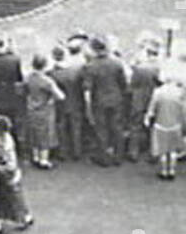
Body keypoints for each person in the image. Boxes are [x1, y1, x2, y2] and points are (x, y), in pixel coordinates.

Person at [82, 36, 129, 166]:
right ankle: (118, 156)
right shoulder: (117, 63)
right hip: (116, 99)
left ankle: (104, 157)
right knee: (117, 127)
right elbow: (123, 83)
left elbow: (88, 88)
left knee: (101, 129)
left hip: (99, 101)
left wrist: (88, 106)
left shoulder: (90, 66)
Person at [0, 116, 34, 234]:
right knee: (14, 196)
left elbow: (5, 162)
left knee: (6, 198)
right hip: (9, 173)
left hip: (4, 174)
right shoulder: (6, 139)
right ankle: (25, 216)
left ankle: (3, 222)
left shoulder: (2, 144)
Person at [24, 53, 66, 169]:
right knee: (45, 135)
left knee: (34, 134)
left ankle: (35, 157)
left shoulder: (28, 78)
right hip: (44, 111)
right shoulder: (47, 81)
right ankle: (44, 161)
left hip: (31, 109)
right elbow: (60, 96)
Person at [126, 34, 162, 162]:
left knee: (135, 125)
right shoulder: (159, 68)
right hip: (154, 100)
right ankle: (154, 152)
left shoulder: (139, 68)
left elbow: (132, 85)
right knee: (153, 126)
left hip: (139, 99)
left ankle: (133, 152)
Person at [49, 43, 86, 162]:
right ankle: (77, 152)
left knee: (62, 129)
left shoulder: (52, 73)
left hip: (61, 105)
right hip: (76, 102)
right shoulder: (77, 70)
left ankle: (63, 153)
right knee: (76, 128)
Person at [146, 78, 186, 180]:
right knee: (173, 150)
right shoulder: (180, 93)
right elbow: (184, 110)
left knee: (163, 151)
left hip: (160, 125)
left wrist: (148, 118)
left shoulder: (158, 92)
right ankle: (172, 171)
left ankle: (164, 171)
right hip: (175, 125)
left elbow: (151, 109)